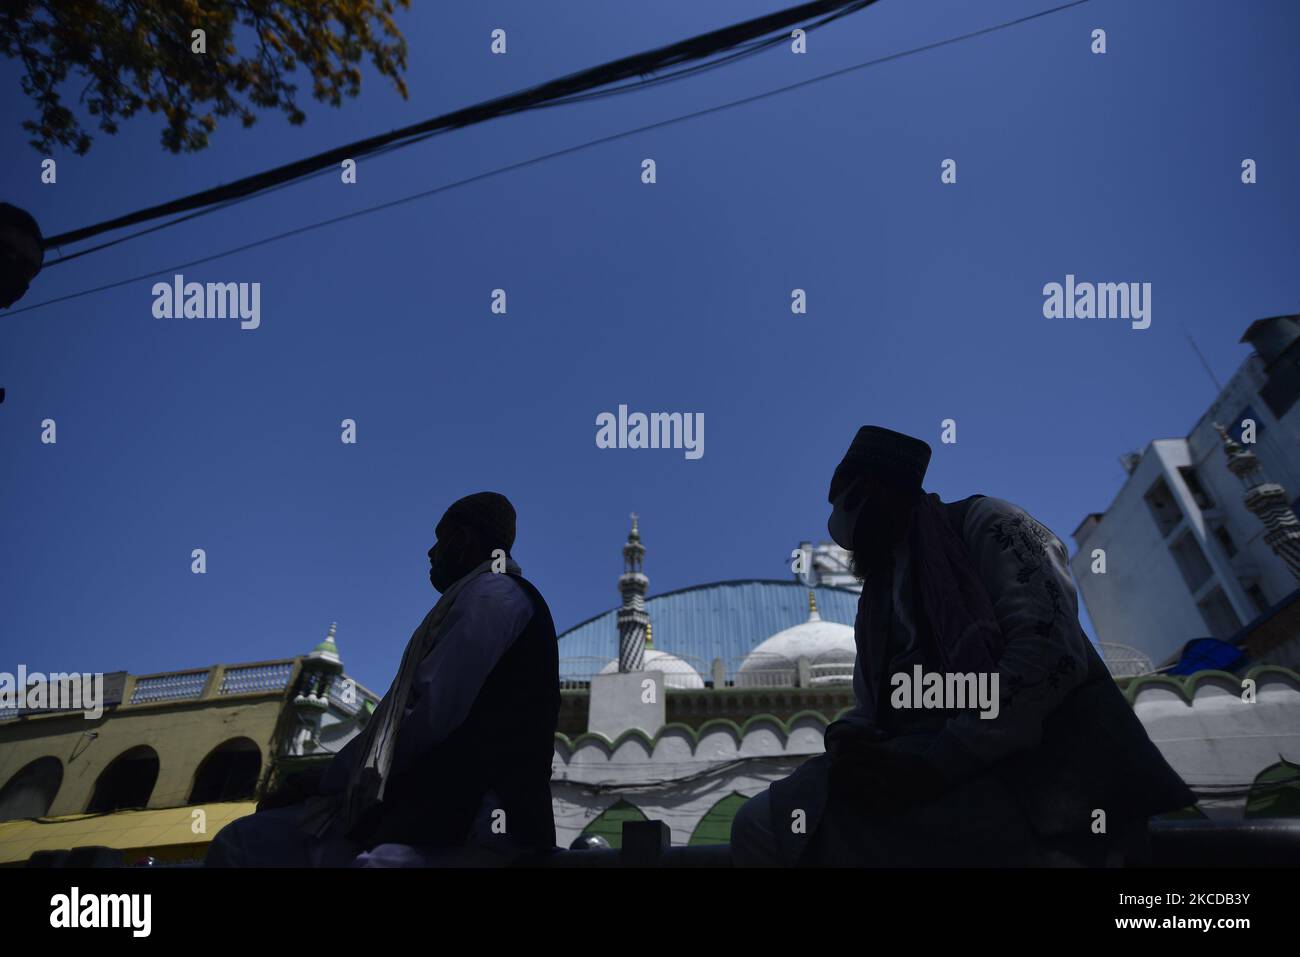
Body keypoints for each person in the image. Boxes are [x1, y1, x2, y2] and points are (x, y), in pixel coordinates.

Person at [730, 426, 1194, 867]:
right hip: (920, 769)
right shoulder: (878, 598)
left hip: (1037, 760)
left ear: (878, 490)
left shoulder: (989, 523)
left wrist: (941, 760)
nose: (840, 525)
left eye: (847, 503)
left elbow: (1049, 655)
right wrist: (849, 737)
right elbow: (875, 707)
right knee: (763, 827)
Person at [206, 491, 560, 866]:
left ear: (464, 540)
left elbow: (428, 714)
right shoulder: (478, 596)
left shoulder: (495, 595)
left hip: (476, 818)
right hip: (428, 809)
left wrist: (328, 778)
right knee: (246, 841)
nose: (431, 552)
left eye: (441, 539)